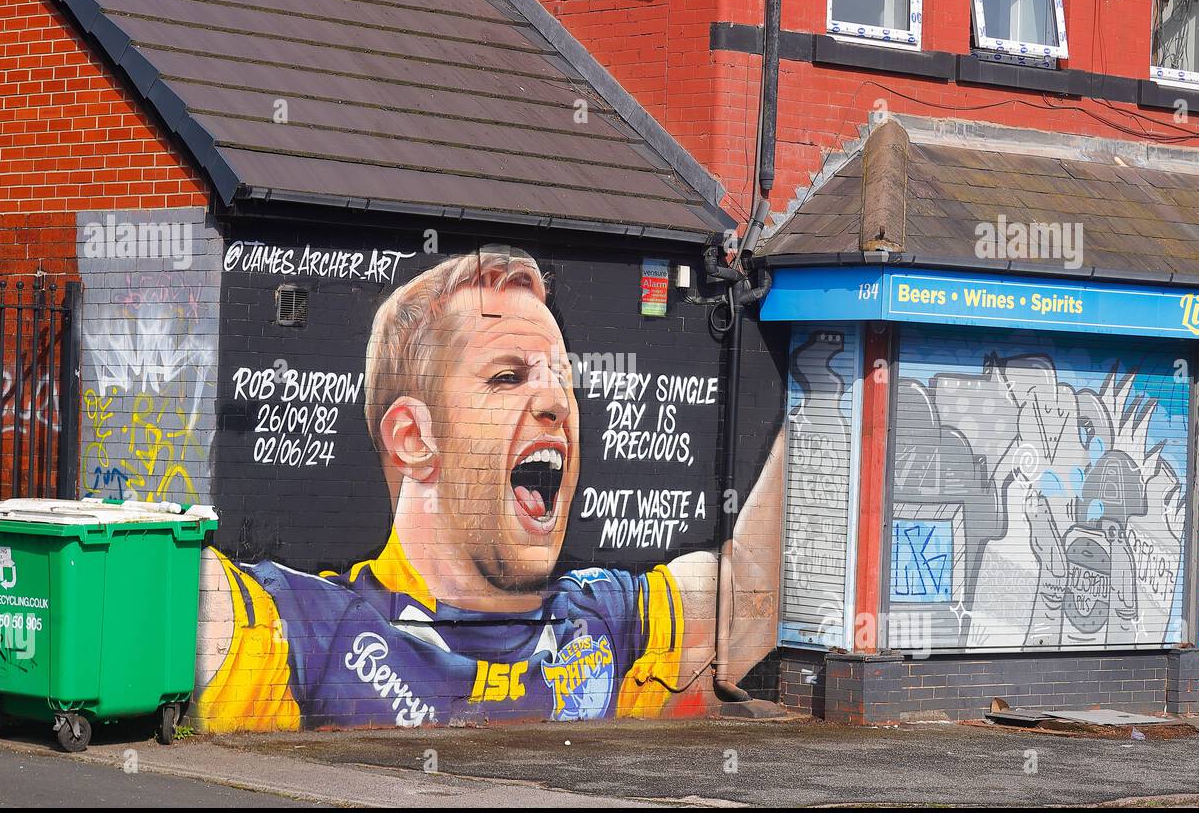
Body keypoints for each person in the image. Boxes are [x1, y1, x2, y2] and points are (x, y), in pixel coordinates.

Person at [195, 245, 782, 729]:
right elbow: (164, 606)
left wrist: (843, 369)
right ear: (413, 438)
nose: (557, 402)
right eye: (507, 377)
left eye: (563, 379)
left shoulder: (608, 618)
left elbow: (754, 585)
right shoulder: (308, 631)